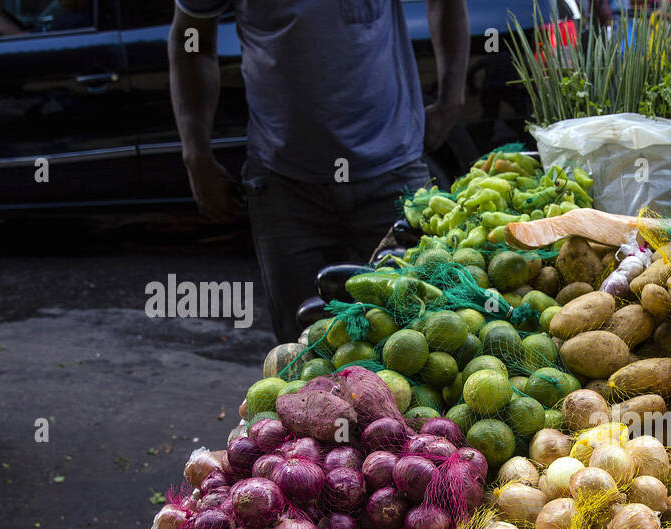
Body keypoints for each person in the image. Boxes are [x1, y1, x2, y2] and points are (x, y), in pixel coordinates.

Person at [169, 1, 469, 344]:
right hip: (286, 192)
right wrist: (195, 153)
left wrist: (451, 101)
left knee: (419, 340)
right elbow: (191, 40)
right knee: (304, 355)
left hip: (394, 179)